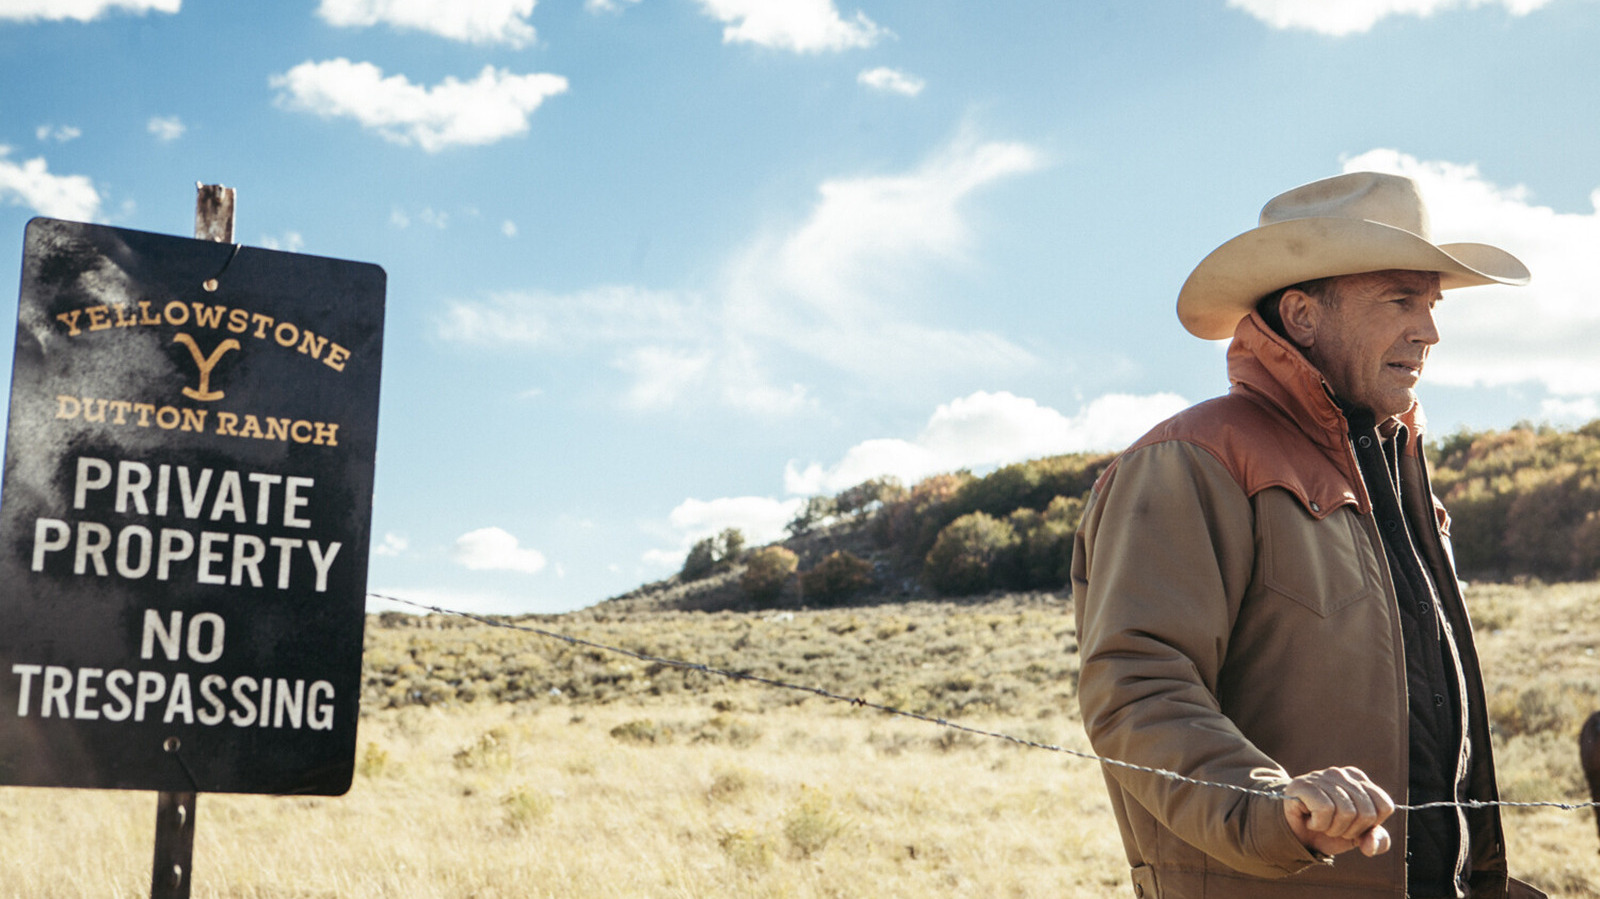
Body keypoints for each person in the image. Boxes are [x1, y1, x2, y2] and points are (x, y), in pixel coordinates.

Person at [1071, 171, 1545, 898]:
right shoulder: (1191, 462)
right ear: (1301, 315)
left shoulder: (1405, 481)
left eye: (1432, 303)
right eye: (1400, 300)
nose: (1429, 330)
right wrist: (1273, 807)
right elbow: (1137, 685)